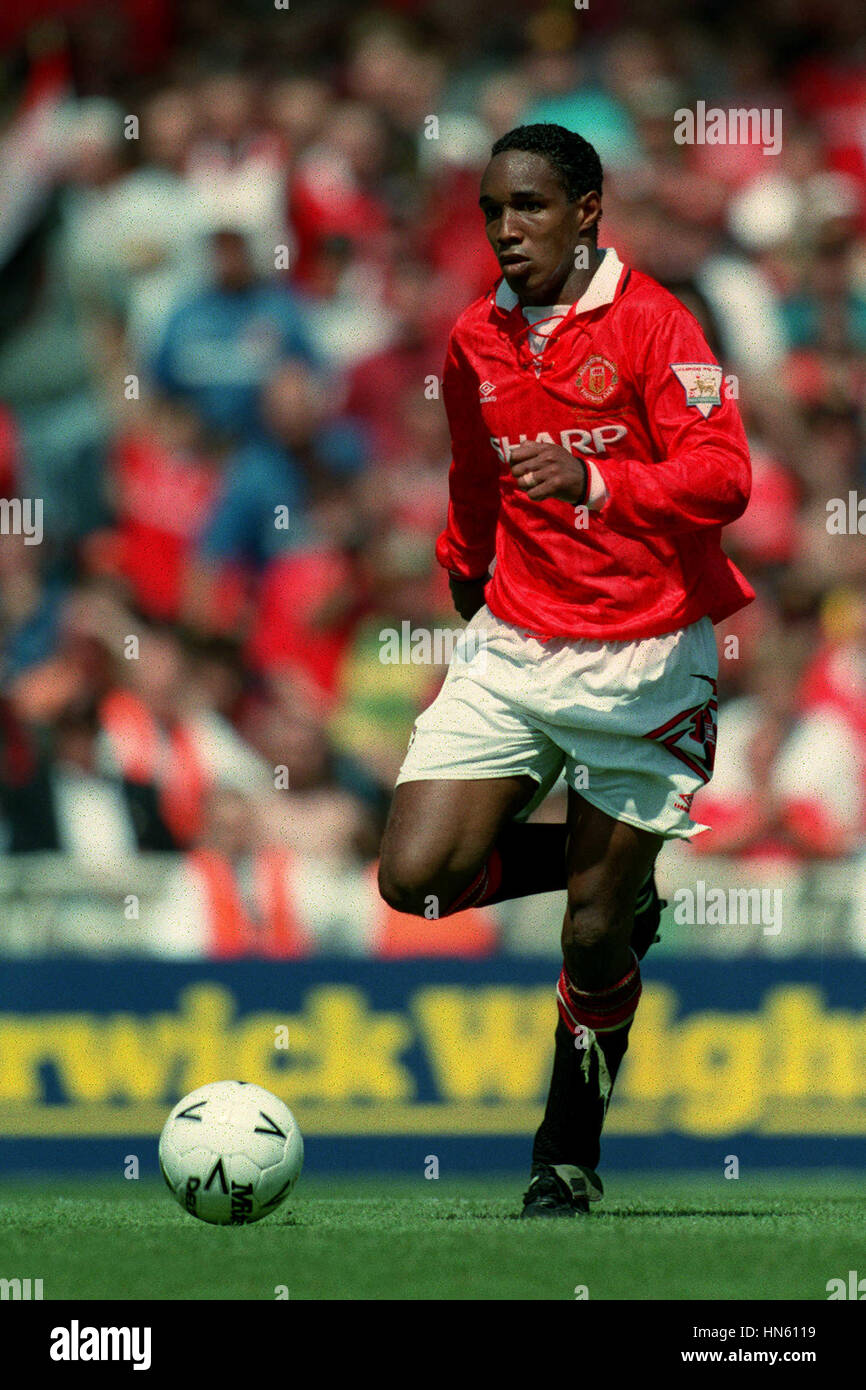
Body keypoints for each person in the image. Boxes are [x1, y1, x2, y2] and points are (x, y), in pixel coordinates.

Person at [377, 124, 754, 1217]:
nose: (506, 230)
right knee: (418, 880)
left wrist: (597, 488)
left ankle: (564, 1155)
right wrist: (463, 571)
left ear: (587, 209)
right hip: (515, 640)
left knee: (587, 941)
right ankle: (622, 882)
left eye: (530, 207)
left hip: (641, 659)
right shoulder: (472, 341)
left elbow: (721, 476)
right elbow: (469, 474)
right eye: (493, 209)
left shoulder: (653, 324)